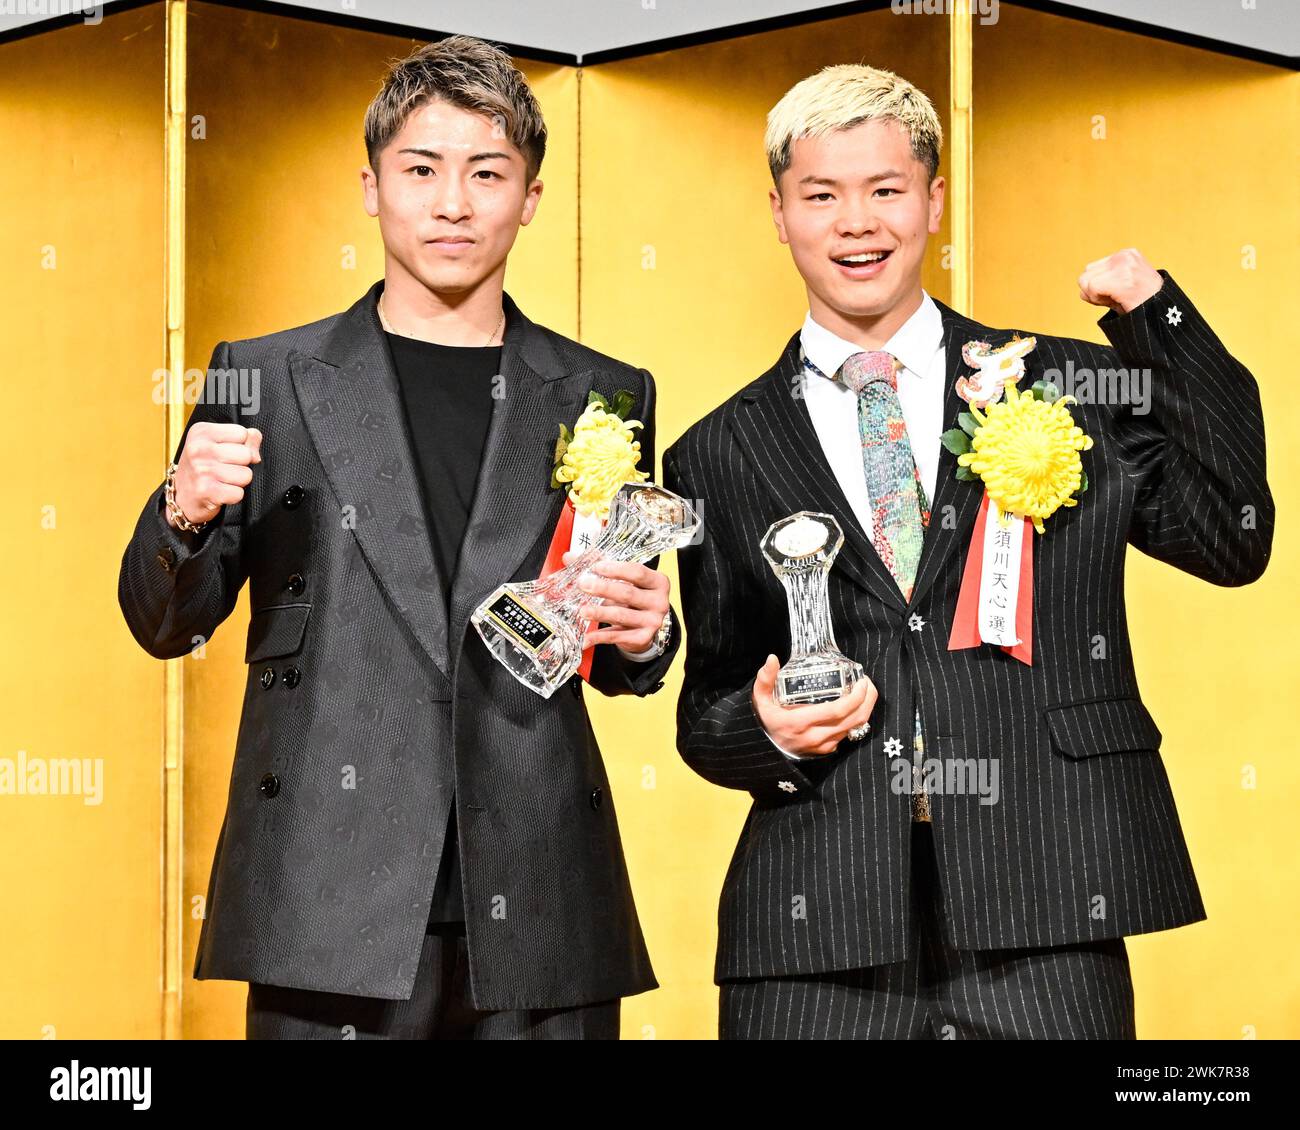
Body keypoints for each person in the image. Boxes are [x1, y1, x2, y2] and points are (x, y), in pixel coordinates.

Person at [662, 63, 1272, 1039]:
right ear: (778, 211)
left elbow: (1230, 534)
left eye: (885, 189)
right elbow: (707, 705)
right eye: (821, 195)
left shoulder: (1066, 382)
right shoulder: (714, 451)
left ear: (934, 200)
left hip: (1047, 903)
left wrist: (1158, 315)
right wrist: (765, 727)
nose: (855, 222)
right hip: (814, 928)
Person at [118, 35, 679, 1040]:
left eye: (486, 173)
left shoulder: (604, 390)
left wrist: (643, 638)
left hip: (541, 891)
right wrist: (181, 511)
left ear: (531, 198)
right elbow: (167, 622)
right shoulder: (265, 376)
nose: (452, 203)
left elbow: (613, 647)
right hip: (327, 895)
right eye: (421, 170)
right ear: (372, 185)